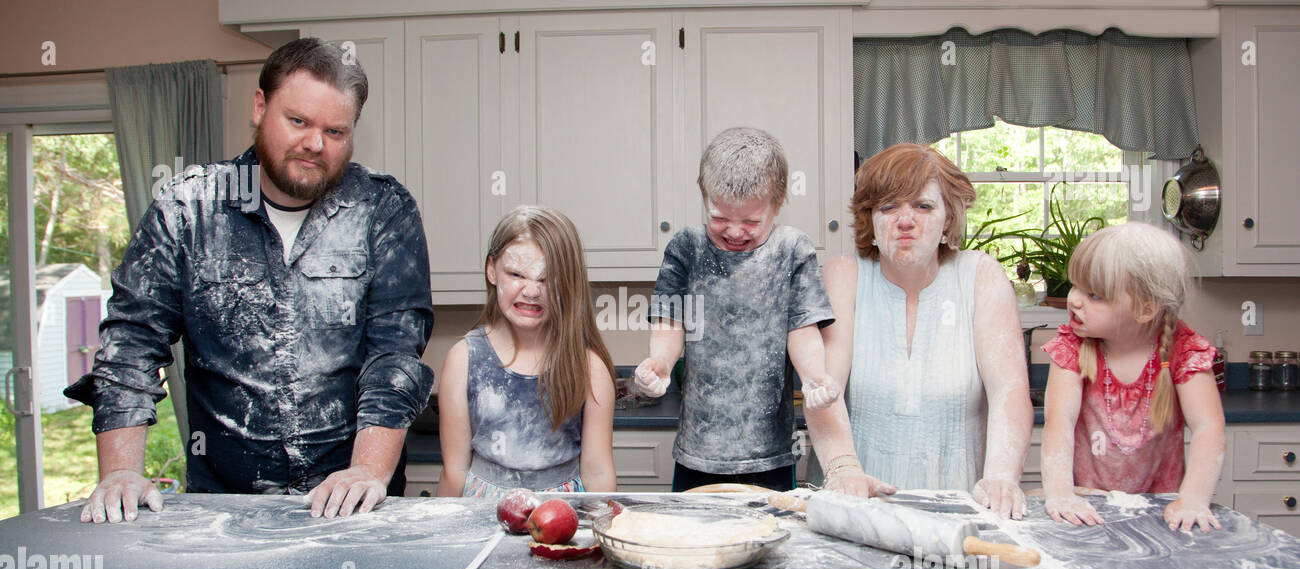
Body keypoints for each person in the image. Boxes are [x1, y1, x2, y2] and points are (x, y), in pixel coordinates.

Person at [65, 38, 435, 522]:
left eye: (336, 131)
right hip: (222, 510)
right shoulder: (187, 208)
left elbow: (393, 356)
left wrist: (367, 470)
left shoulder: (383, 210)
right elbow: (132, 344)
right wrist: (119, 472)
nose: (315, 143)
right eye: (298, 121)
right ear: (260, 106)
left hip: (354, 505)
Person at [806, 143, 1032, 518]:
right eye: (888, 207)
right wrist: (843, 468)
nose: (905, 220)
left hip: (956, 511)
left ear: (947, 219)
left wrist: (1001, 476)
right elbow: (823, 387)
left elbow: (1009, 391)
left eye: (923, 206)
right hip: (856, 506)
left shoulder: (981, 276)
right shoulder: (844, 275)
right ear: (870, 219)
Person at [633, 127, 846, 492]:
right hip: (697, 453)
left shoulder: (792, 250)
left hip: (772, 454)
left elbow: (802, 329)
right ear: (704, 195)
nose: (734, 231)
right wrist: (660, 363)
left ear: (777, 206)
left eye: (750, 222)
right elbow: (670, 321)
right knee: (691, 546)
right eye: (720, 217)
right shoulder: (687, 247)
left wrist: (813, 375)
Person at [1040, 222, 1224, 532]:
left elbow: (1209, 428)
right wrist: (1060, 494)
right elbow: (1059, 423)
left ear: (1145, 309)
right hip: (1088, 509)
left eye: (1095, 295)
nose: (1074, 300)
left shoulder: (1183, 350)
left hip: (1162, 513)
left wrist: (1193, 500)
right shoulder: (1072, 347)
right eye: (1075, 286)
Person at [437, 206, 616, 498]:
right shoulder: (464, 359)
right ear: (491, 270)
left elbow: (597, 472)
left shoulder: (589, 367)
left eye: (547, 279)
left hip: (563, 513)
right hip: (482, 514)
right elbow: (454, 471)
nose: (531, 291)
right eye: (516, 274)